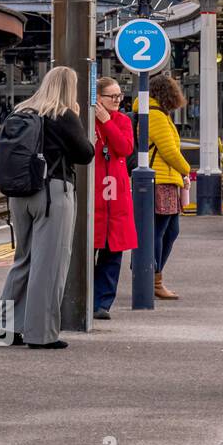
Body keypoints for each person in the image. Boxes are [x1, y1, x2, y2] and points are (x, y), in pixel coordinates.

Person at [0, 66, 94, 349]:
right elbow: (86, 154)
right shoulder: (62, 114)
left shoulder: (21, 111)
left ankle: (6, 330)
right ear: (68, 88)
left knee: (23, 260)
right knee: (49, 265)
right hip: (52, 194)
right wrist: (77, 116)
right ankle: (42, 334)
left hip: (18, 194)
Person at [92, 76, 136, 320]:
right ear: (98, 98)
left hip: (116, 198)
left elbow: (124, 148)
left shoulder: (121, 121)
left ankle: (102, 303)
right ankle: (85, 299)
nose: (118, 100)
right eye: (113, 96)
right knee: (90, 251)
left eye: (120, 96)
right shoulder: (87, 120)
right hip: (95, 196)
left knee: (112, 253)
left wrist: (107, 122)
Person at [147, 74, 190, 301]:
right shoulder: (155, 116)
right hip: (159, 181)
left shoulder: (159, 114)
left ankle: (152, 275)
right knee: (158, 231)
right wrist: (186, 169)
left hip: (166, 180)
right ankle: (152, 278)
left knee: (168, 231)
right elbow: (169, 151)